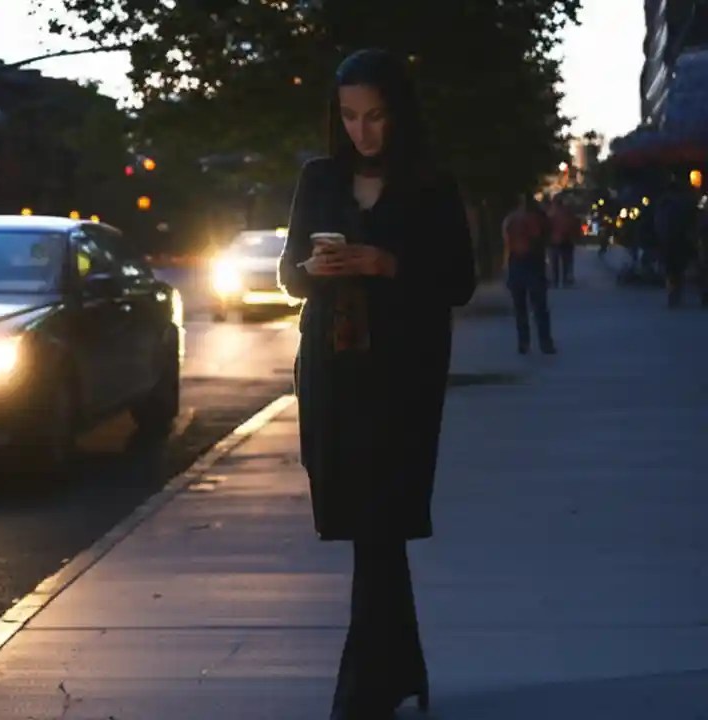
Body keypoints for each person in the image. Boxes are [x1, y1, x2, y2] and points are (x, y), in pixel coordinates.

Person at [278, 48, 476, 720]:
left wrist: (387, 262)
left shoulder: (431, 185)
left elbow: (458, 281)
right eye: (351, 116)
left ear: (399, 115)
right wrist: (315, 266)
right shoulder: (319, 179)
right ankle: (399, 669)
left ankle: (364, 689)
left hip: (403, 378)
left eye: (377, 116)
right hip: (334, 373)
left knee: (381, 524)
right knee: (367, 529)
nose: (364, 131)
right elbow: (288, 276)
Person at [502, 194, 557, 354]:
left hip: (516, 264)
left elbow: (507, 241)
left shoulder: (510, 220)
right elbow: (546, 236)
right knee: (540, 307)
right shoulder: (538, 218)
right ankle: (545, 342)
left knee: (520, 308)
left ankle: (523, 342)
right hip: (534, 263)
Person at [547, 195, 580, 287]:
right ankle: (565, 279)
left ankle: (555, 280)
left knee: (554, 262)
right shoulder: (568, 213)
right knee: (566, 261)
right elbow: (574, 225)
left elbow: (545, 227)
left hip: (553, 241)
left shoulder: (550, 213)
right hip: (566, 240)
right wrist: (576, 236)